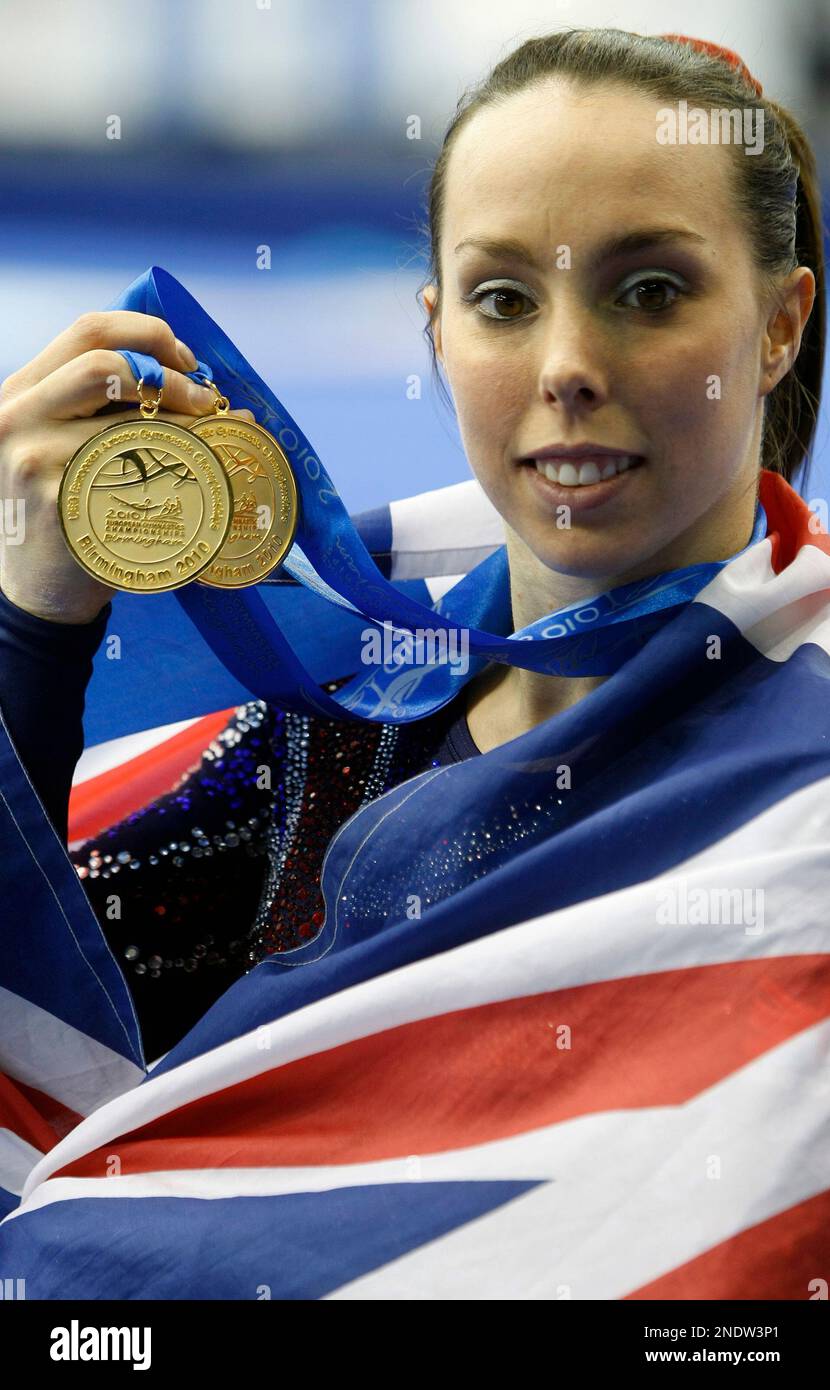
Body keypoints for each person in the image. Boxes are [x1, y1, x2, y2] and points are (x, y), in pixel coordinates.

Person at [0, 29, 828, 1299]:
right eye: (504, 300)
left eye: (648, 291)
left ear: (777, 325)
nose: (565, 367)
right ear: (436, 333)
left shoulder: (803, 789)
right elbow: (70, 1078)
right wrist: (35, 625)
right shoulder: (344, 706)